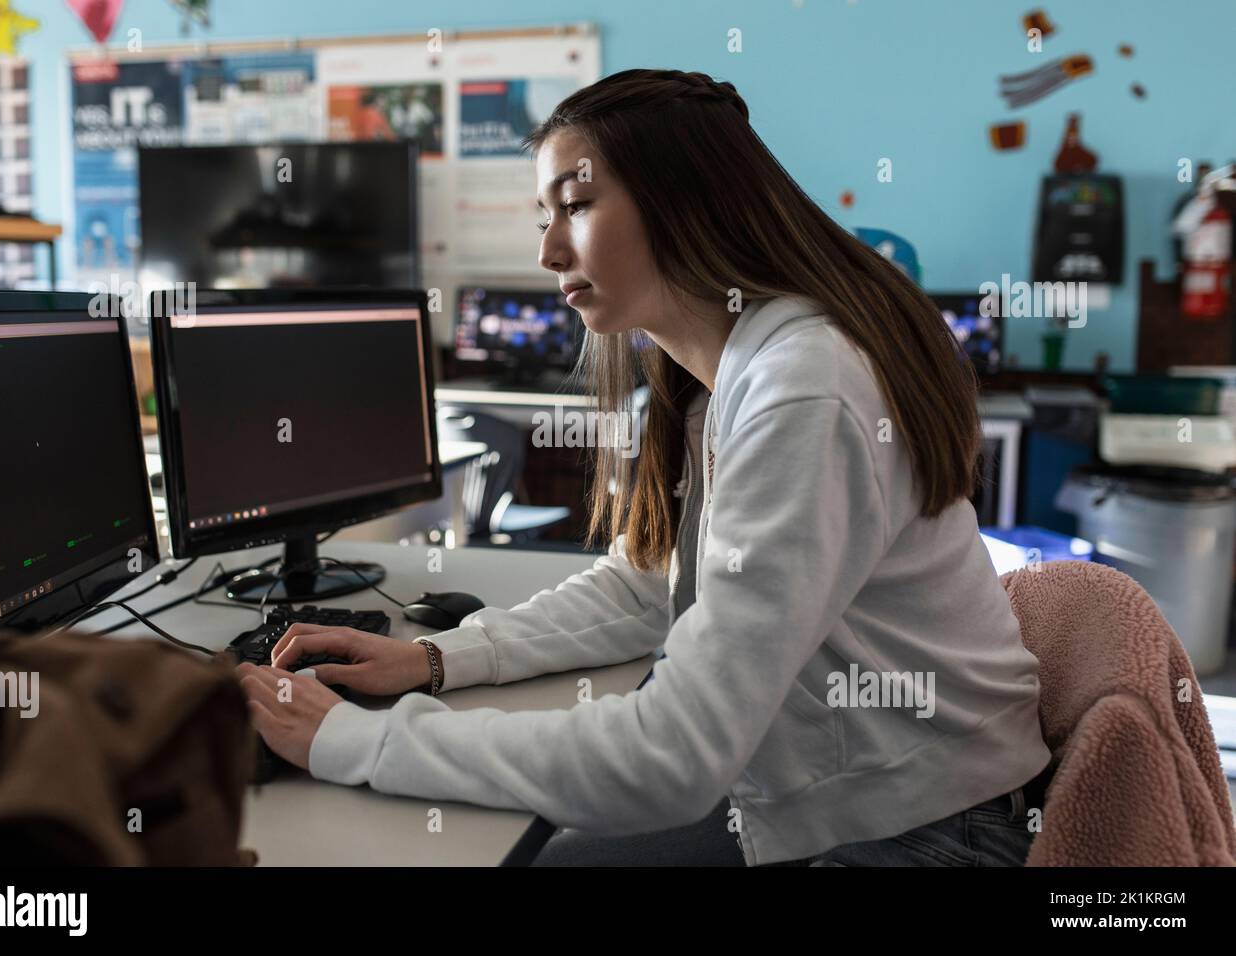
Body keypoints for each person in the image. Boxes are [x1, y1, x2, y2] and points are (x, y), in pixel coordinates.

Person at [236, 68, 1052, 867]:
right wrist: (439, 658)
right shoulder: (721, 374)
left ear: (685, 203)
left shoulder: (805, 385)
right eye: (542, 217)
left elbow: (673, 759)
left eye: (578, 206)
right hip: (832, 797)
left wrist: (352, 740)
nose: (551, 250)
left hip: (929, 831)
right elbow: (645, 587)